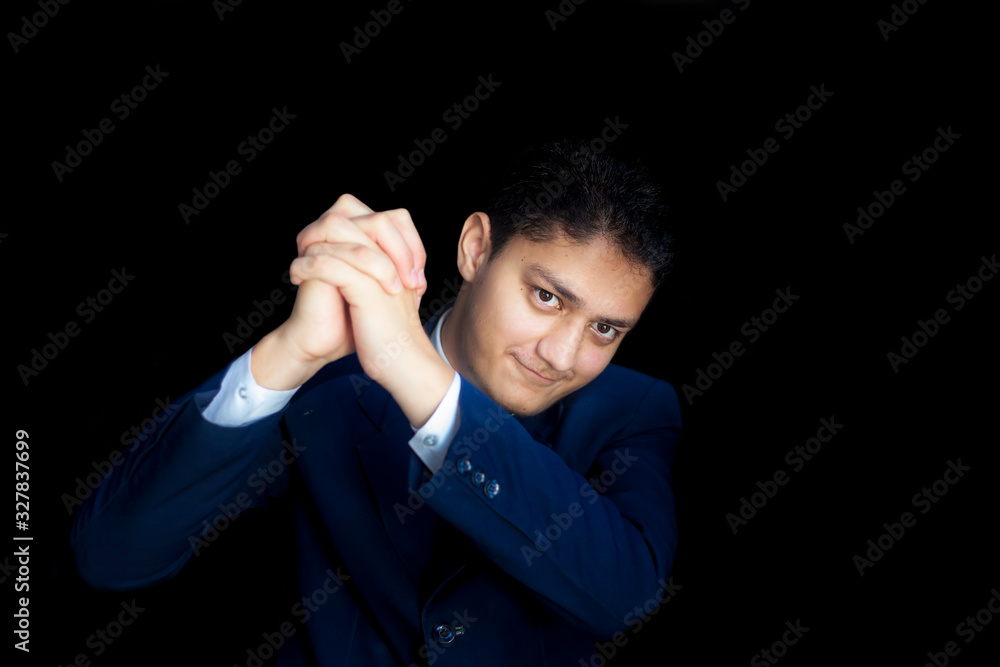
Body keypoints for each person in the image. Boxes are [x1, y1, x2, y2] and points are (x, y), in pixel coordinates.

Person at [71, 138, 682, 666]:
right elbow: (112, 556)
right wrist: (289, 353)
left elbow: (619, 596)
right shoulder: (329, 393)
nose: (563, 355)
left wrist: (414, 371)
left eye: (606, 329)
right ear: (474, 249)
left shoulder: (633, 411)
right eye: (547, 297)